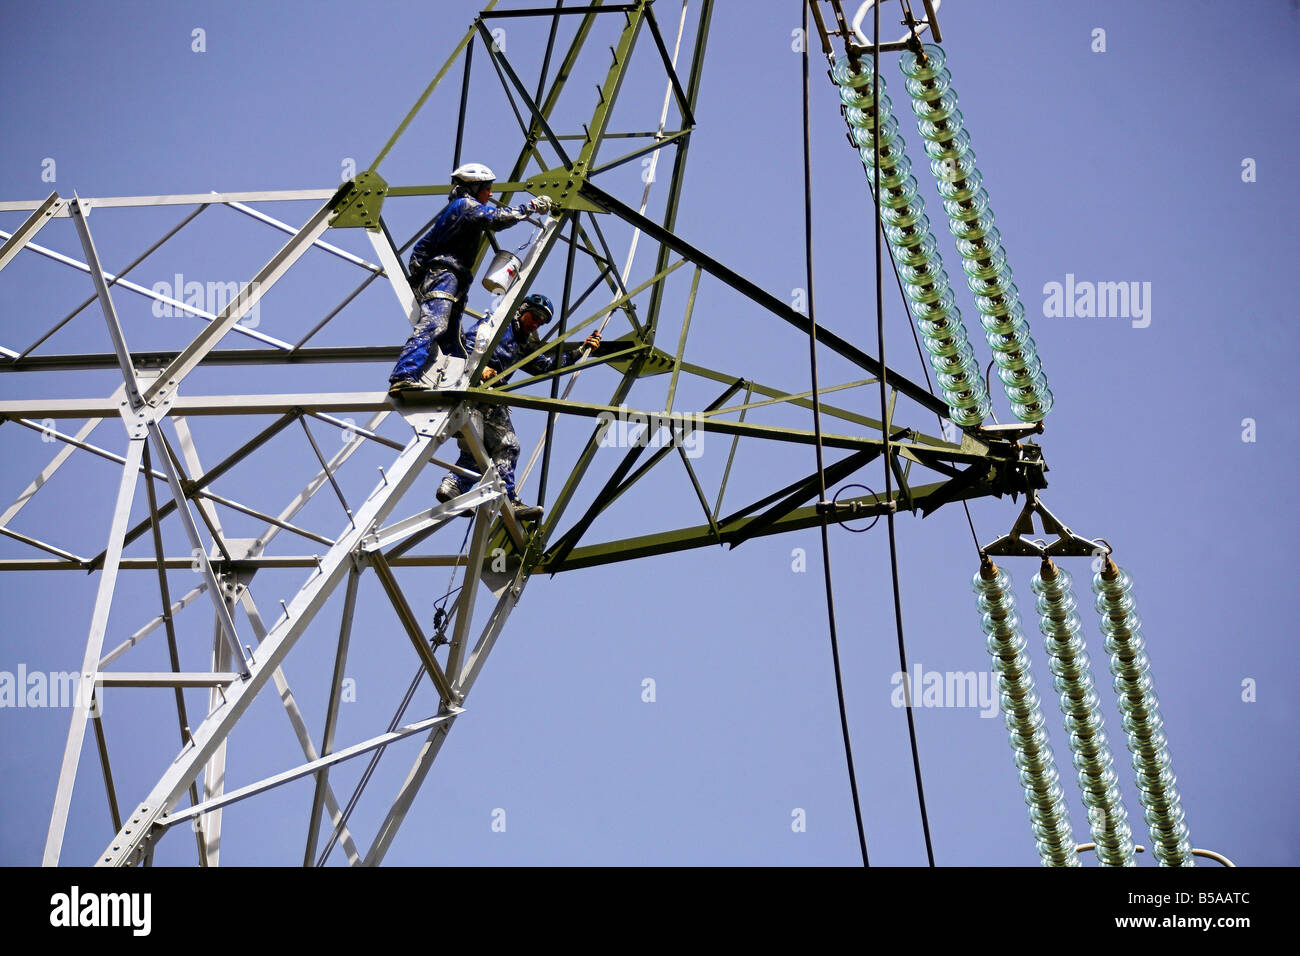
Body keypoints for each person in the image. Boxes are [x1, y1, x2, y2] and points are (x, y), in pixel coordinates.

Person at [388, 163, 553, 395]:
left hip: (455, 280)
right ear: (475, 188)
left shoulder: (459, 209)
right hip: (445, 275)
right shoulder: (466, 205)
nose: (491, 194)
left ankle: (445, 383)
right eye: (488, 188)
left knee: (453, 344)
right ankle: (404, 375)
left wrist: (418, 278)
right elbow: (497, 218)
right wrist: (531, 207)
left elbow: (421, 247)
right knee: (435, 324)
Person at [437, 293, 602, 521]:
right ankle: (506, 498)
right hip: (471, 386)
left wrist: (580, 351)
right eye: (533, 317)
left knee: (478, 447)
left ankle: (453, 487)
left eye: (540, 322)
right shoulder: (497, 324)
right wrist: (478, 368)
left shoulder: (525, 341)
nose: (535, 324)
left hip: (488, 397)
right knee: (508, 444)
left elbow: (543, 366)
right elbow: (463, 345)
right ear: (522, 309)